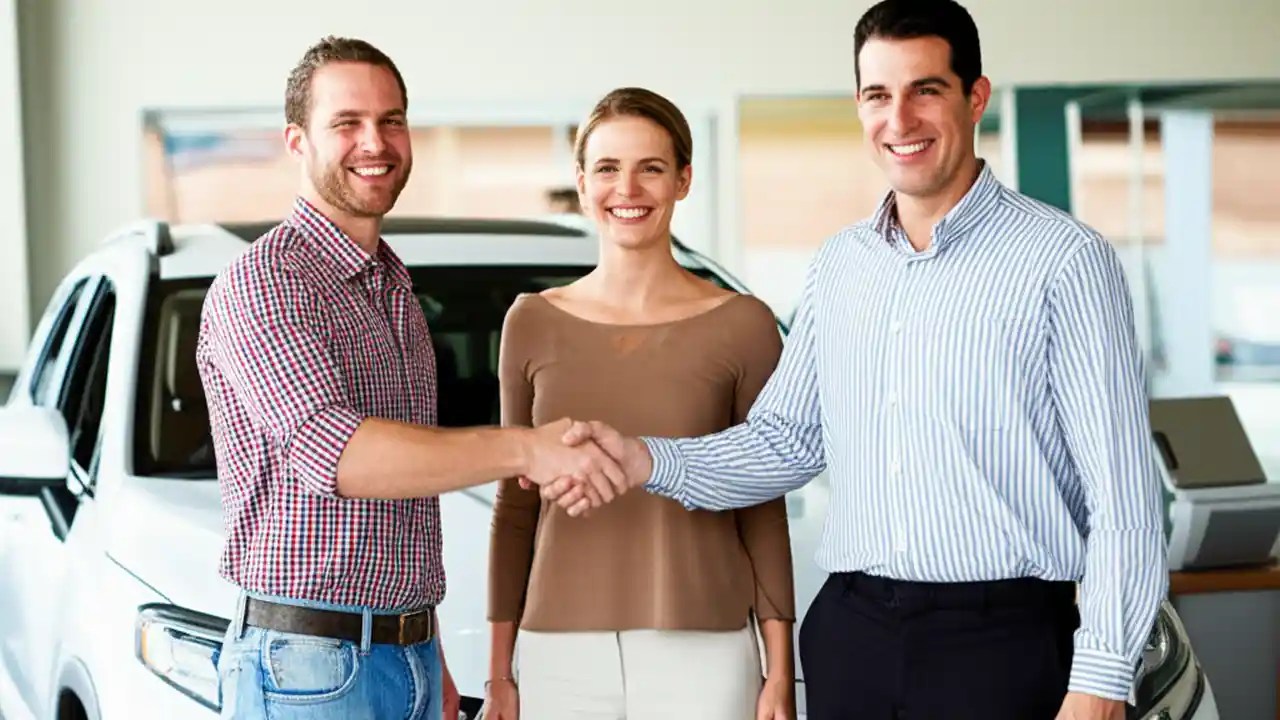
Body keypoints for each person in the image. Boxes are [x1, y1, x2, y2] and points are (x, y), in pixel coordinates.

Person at [542, 2, 1168, 719]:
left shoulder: (1065, 262)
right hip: (852, 635)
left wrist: (1102, 677)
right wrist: (643, 459)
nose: (898, 120)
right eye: (878, 95)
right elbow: (787, 439)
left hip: (1002, 644)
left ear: (975, 97)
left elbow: (1124, 498)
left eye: (924, 90)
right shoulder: (842, 264)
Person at [197, 36, 626, 720]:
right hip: (308, 671)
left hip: (406, 655)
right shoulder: (266, 283)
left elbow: (397, 503)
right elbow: (339, 454)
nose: (376, 141)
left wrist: (423, 650)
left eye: (392, 119)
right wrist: (527, 447)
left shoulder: (391, 284)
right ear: (297, 141)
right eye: (347, 123)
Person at [482, 87, 797, 720]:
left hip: (705, 642)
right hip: (556, 651)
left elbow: (763, 499)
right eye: (607, 168)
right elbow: (516, 504)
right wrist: (499, 675)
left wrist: (781, 671)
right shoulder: (531, 322)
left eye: (650, 168)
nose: (627, 189)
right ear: (581, 182)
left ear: (683, 180)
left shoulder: (743, 323)